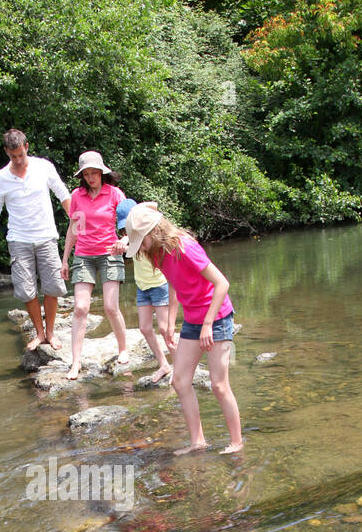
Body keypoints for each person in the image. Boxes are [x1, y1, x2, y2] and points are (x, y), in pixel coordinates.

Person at [123, 203, 243, 454]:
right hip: (192, 320)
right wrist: (170, 322)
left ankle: (236, 443)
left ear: (152, 234)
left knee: (219, 385)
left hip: (217, 317)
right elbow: (176, 285)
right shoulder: (156, 253)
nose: (139, 249)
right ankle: (198, 442)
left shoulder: (185, 247)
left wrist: (208, 324)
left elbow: (222, 283)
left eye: (140, 241)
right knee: (179, 381)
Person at [0, 128, 71, 351]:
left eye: (21, 155)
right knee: (26, 289)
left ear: (27, 146)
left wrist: (77, 221)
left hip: (46, 237)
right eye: (13, 156)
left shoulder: (43, 167)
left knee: (52, 286)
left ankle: (51, 332)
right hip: (18, 240)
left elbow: (63, 194)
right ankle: (39, 333)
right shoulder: (1, 177)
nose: (18, 160)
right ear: (7, 152)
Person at [60, 151, 130, 380]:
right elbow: (73, 228)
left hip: (110, 252)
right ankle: (75, 362)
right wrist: (65, 259)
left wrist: (125, 240)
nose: (90, 178)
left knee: (110, 306)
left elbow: (133, 222)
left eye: (94, 173)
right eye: (86, 174)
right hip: (83, 255)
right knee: (80, 307)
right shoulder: (77, 196)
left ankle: (123, 349)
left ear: (102, 172)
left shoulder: (115, 194)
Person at [116, 197, 172, 386]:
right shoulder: (130, 238)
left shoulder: (148, 235)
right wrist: (119, 246)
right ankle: (164, 364)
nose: (127, 231)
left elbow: (131, 240)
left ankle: (181, 364)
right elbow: (126, 241)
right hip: (143, 286)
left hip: (159, 284)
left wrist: (125, 240)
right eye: (124, 228)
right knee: (145, 328)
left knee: (165, 329)